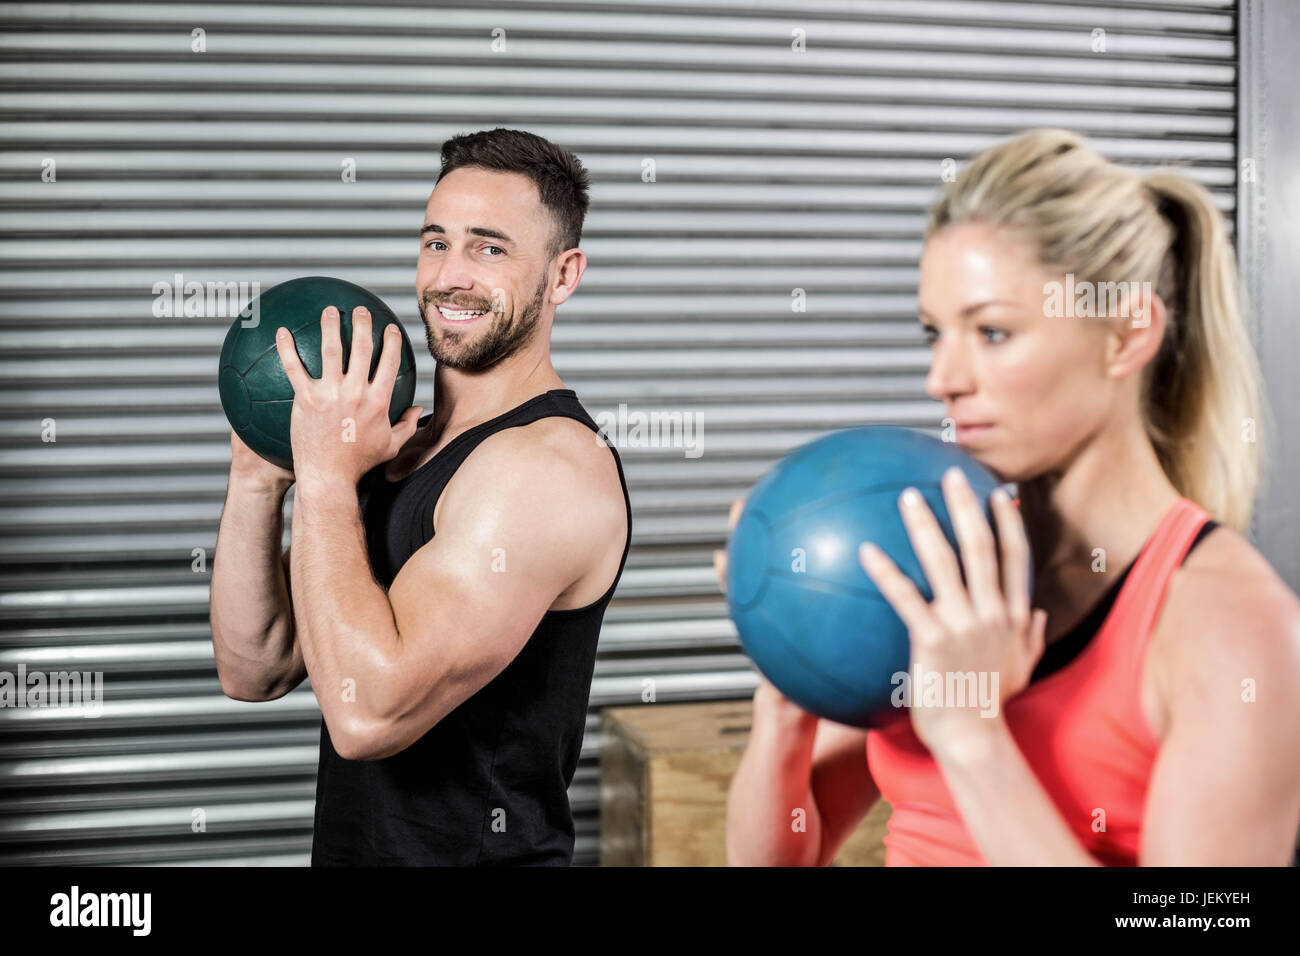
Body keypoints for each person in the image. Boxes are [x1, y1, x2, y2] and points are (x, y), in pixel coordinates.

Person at [718, 128, 1300, 866]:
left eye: (992, 332)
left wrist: (972, 738)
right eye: (936, 333)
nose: (943, 379)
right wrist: (787, 689)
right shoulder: (944, 558)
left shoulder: (1235, 627)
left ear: (1126, 334)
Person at [210, 128, 631, 865]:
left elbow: (369, 714)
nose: (451, 276)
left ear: (563, 275)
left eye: (489, 248)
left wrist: (329, 477)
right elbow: (256, 668)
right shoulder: (393, 444)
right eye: (437, 242)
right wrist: (259, 477)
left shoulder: (547, 468)